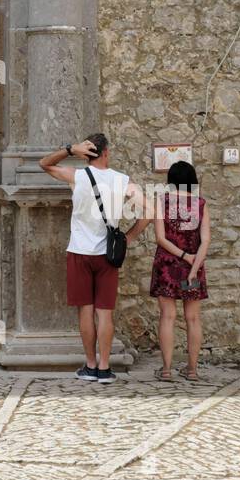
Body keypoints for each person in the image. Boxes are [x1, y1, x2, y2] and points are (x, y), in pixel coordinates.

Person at [40, 135, 151, 382]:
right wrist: (129, 237)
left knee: (85, 312)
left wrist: (69, 149)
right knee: (105, 313)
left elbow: (44, 164)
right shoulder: (122, 181)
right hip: (107, 255)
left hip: (79, 251)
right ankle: (104, 368)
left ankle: (90, 365)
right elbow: (150, 210)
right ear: (106, 153)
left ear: (86, 153)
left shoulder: (76, 176)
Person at [150, 160, 210, 381]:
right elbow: (206, 240)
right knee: (192, 318)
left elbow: (160, 238)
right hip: (193, 267)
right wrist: (193, 266)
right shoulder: (200, 204)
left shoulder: (161, 202)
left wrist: (181, 256)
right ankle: (192, 370)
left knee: (168, 316)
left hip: (167, 266)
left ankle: (166, 370)